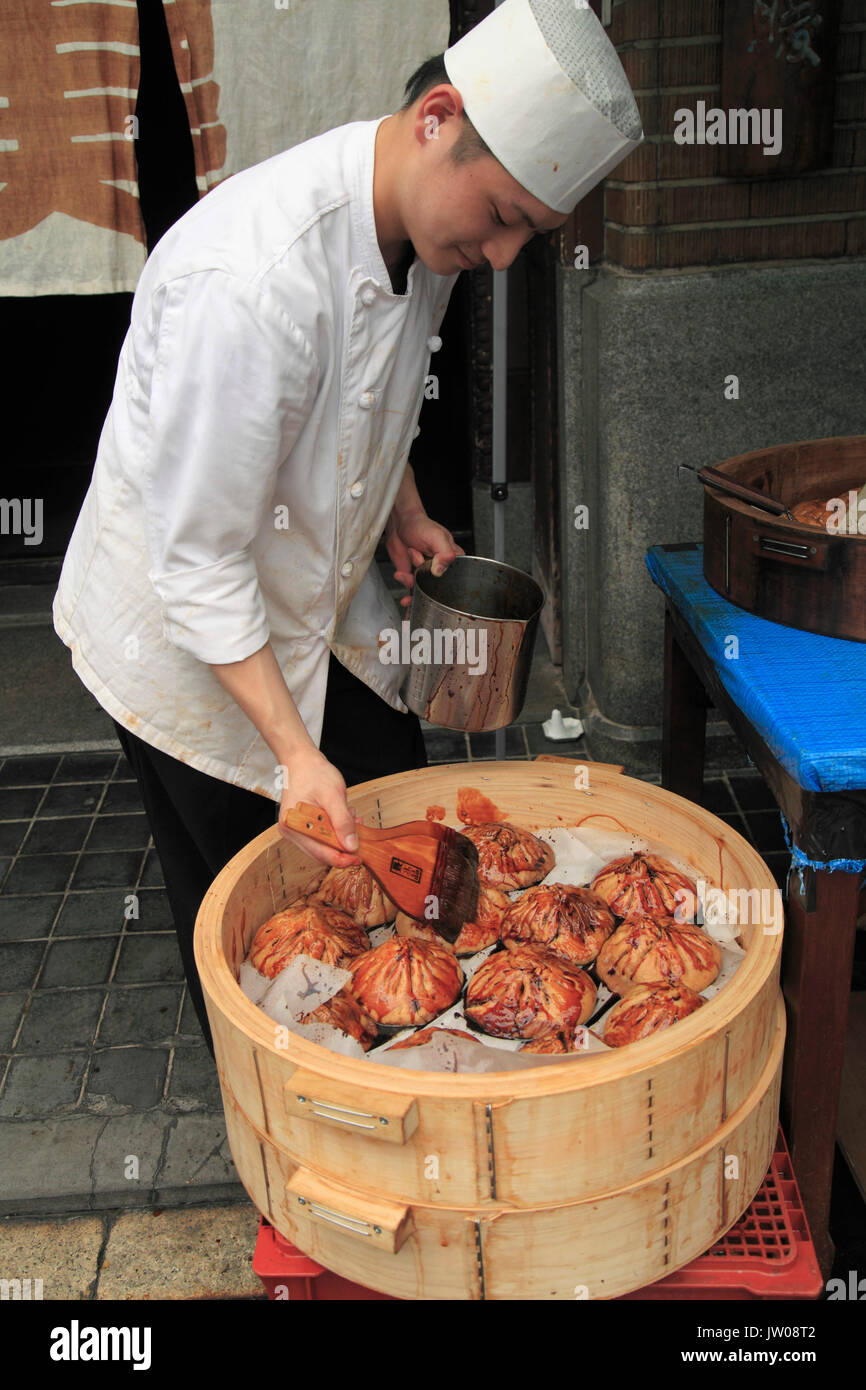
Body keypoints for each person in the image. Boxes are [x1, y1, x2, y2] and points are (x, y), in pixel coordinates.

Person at [53, 0, 642, 1052]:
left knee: (404, 850)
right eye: (502, 213)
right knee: (267, 938)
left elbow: (366, 396)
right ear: (436, 117)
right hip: (188, 641)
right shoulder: (251, 285)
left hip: (316, 610)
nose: (503, 256)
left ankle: (429, 1061)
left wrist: (402, 508)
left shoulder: (420, 229)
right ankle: (287, 1133)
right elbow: (195, 562)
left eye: (530, 237)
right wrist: (291, 753)